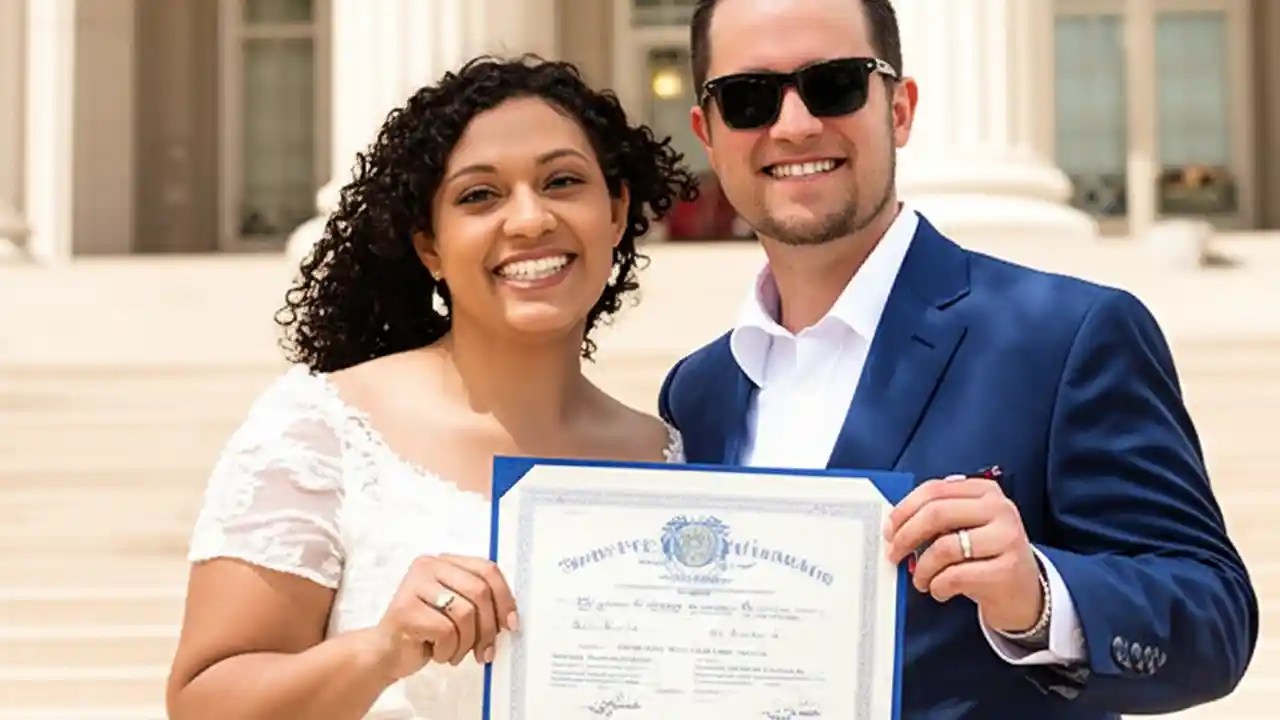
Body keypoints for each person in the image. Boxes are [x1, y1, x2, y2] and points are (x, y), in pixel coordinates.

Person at [657, 0, 1258, 718]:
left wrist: (1037, 595)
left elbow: (1213, 620)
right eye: (748, 97)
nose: (794, 125)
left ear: (900, 109)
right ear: (708, 134)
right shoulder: (696, 394)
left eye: (836, 84)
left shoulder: (1065, 336)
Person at [166, 55, 698, 720]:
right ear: (429, 246)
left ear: (616, 213)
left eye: (562, 182)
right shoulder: (320, 429)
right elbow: (202, 704)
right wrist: (382, 651)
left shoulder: (670, 457)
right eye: (480, 196)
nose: (530, 221)